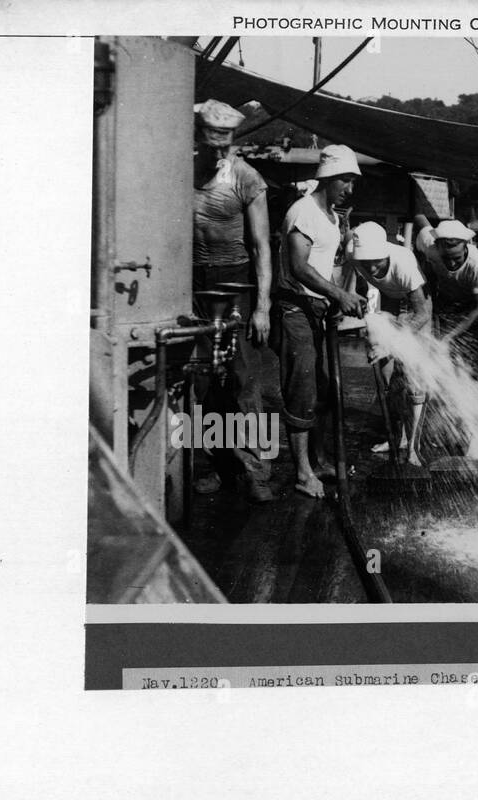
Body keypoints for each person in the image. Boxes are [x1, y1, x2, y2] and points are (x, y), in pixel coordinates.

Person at [190, 99, 275, 502]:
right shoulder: (185, 171)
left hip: (236, 281)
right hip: (197, 282)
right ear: (199, 138)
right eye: (211, 144)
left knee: (244, 381)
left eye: (225, 144)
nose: (219, 152)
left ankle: (258, 471)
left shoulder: (247, 178)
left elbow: (261, 247)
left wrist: (262, 307)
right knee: (205, 382)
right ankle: (221, 468)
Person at [274, 144, 366, 499]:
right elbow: (298, 268)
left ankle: (321, 459)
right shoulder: (303, 212)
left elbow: (330, 264)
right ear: (327, 178)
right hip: (295, 308)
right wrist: (339, 295)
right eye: (345, 180)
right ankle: (301, 472)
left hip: (319, 309)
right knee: (302, 388)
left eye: (353, 182)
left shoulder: (330, 216)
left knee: (325, 390)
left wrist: (336, 299)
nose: (349, 188)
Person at [346, 221, 431, 465]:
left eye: (377, 261)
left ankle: (413, 446)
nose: (371, 267)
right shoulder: (356, 258)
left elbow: (422, 313)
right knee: (390, 381)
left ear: (386, 252)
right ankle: (396, 438)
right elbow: (356, 285)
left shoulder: (404, 264)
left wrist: (391, 344)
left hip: (418, 304)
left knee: (414, 378)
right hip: (391, 301)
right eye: (366, 261)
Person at [411, 217, 478, 351]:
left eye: (457, 258)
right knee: (436, 344)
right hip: (445, 298)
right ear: (437, 246)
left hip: (471, 306)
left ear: (465, 247)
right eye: (446, 258)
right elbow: (420, 219)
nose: (451, 263)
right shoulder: (430, 247)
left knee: (467, 349)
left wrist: (451, 336)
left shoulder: (477, 266)